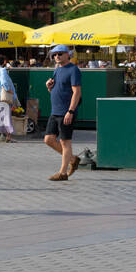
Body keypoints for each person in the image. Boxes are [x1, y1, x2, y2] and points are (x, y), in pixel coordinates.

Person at [44, 44, 83, 182]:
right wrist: (50, 87)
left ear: (67, 54)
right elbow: (58, 88)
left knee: (65, 141)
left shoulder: (73, 70)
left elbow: (77, 92)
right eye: (54, 55)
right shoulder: (57, 69)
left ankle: (63, 173)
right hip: (55, 111)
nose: (57, 57)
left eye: (60, 54)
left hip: (66, 111)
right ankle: (72, 159)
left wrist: (70, 111)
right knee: (48, 139)